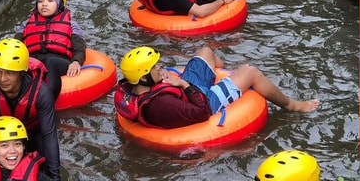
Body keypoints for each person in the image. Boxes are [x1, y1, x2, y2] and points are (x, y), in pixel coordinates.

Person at [115, 46, 320, 129]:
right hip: (202, 101)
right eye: (155, 68)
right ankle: (292, 105)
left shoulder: (137, 88)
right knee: (250, 71)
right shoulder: (161, 104)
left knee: (205, 51)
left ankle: (228, 78)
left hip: (184, 93)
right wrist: (184, 84)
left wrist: (162, 79)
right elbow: (201, 112)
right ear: (143, 78)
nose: (160, 68)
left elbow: (162, 90)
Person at [0, 38, 62, 181]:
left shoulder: (42, 93)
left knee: (43, 170)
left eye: (9, 73)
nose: (2, 79)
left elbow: (49, 135)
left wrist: (55, 179)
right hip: (3, 134)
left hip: (34, 131)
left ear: (21, 73)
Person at [19, 0, 87, 99]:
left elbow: (79, 47)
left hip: (58, 62)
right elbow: (16, 46)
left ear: (60, 3)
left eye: (50, 0)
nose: (44, 4)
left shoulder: (71, 25)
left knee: (50, 62)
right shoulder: (26, 24)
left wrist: (76, 61)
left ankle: (45, 101)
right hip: (33, 63)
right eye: (40, 1)